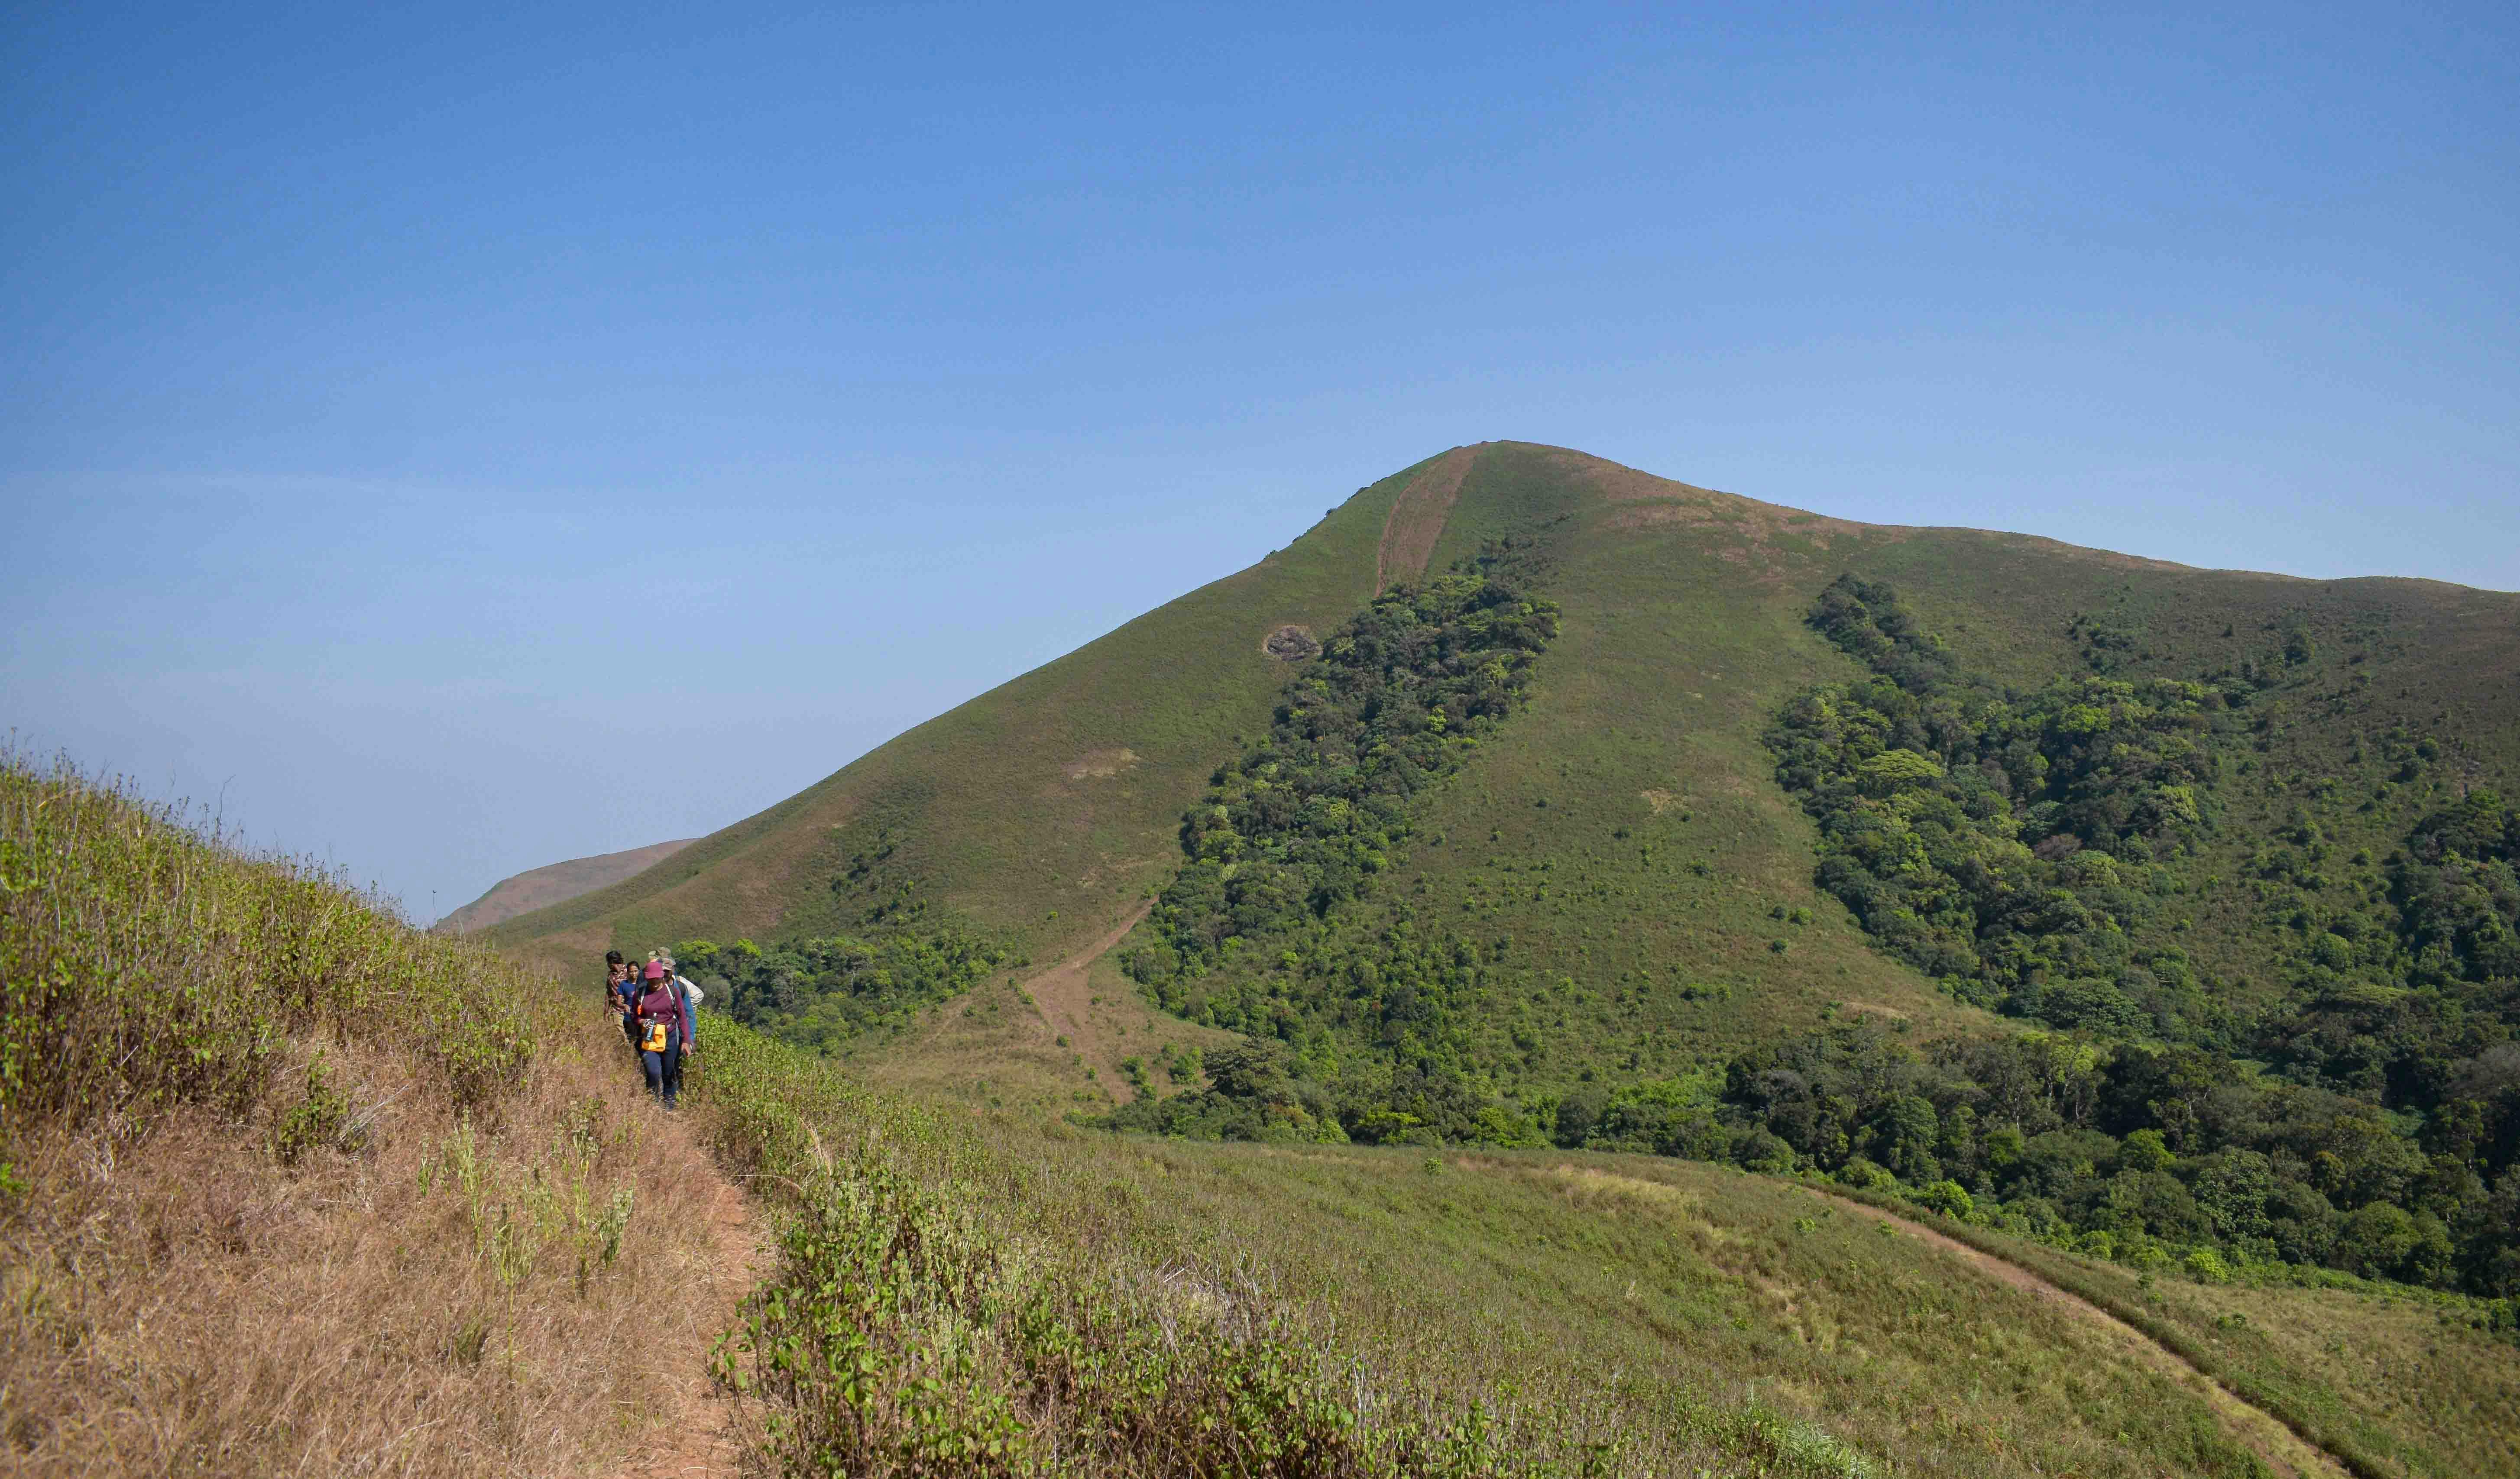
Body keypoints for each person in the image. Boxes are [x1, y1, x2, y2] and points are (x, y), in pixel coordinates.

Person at [631, 959, 690, 1108]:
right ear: (647, 977)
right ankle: (652, 1103)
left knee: (669, 1072)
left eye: (658, 978)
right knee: (653, 1071)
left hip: (670, 1036)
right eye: (652, 979)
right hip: (650, 1037)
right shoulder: (641, 994)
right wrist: (642, 1022)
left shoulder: (673, 992)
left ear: (662, 977)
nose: (655, 982)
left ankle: (669, 1105)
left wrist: (686, 1041)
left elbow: (682, 1016)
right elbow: (636, 1015)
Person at [603, 951, 639, 1049]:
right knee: (622, 1034)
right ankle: (628, 1051)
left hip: (632, 1009)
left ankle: (634, 1051)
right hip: (617, 1009)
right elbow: (609, 993)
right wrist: (606, 1011)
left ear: (611, 962)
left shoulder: (630, 971)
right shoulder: (611, 976)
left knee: (633, 1034)